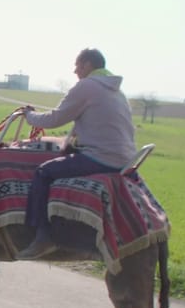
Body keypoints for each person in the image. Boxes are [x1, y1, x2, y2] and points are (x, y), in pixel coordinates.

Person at [18, 48, 136, 259]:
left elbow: (55, 119)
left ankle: (42, 235)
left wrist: (29, 116)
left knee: (43, 173)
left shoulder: (87, 86)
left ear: (88, 65)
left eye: (78, 65)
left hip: (102, 158)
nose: (75, 70)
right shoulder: (116, 90)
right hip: (126, 159)